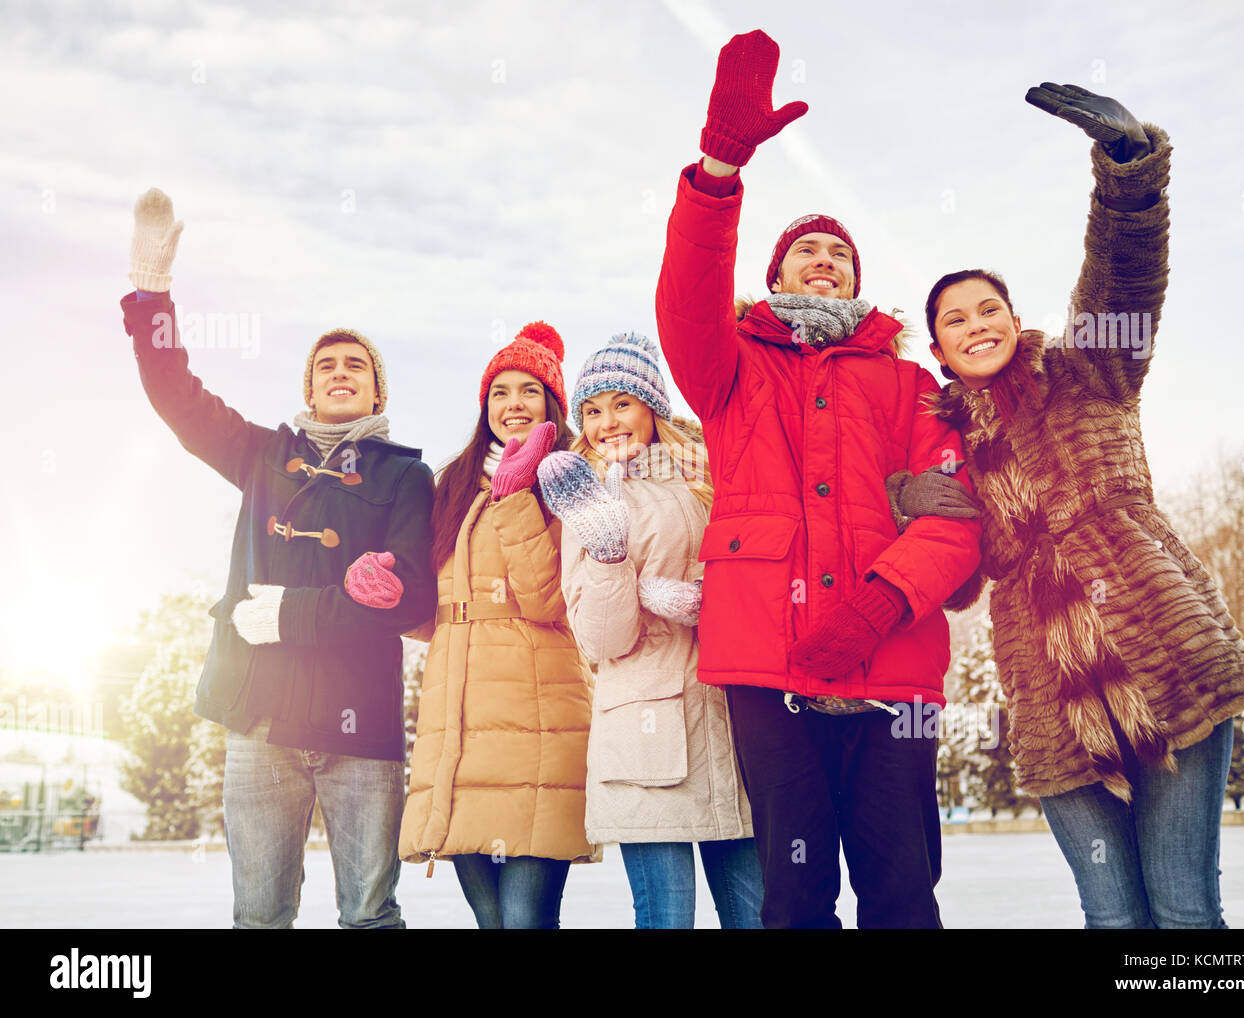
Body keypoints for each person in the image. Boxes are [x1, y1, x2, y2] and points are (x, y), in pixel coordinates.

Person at [917, 83, 1244, 928]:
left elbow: (1123, 280)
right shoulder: (941, 448)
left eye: (988, 308)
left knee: (1183, 909)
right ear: (938, 348)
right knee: (1112, 915)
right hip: (1051, 697)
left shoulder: (1085, 374)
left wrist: (1127, 175)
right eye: (955, 320)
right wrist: (923, 505)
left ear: (1014, 317)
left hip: (1164, 660)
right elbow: (955, 586)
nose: (976, 325)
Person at [654, 31, 982, 929]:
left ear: (859, 281)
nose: (824, 262)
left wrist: (880, 604)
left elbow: (956, 518)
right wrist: (718, 172)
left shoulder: (912, 384)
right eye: (806, 253)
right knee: (793, 895)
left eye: (839, 255)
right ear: (773, 275)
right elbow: (686, 297)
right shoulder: (729, 368)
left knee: (903, 890)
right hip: (770, 668)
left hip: (896, 672)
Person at [119, 188, 438, 929]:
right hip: (260, 722)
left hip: (363, 735)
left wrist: (293, 612)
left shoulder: (405, 477)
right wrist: (151, 292)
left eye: (355, 364)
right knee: (259, 917)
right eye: (325, 364)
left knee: (369, 916)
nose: (339, 371)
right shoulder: (263, 455)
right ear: (309, 386)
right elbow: (177, 397)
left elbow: (415, 598)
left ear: (375, 387)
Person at [537, 332, 763, 929]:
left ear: (652, 407)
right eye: (592, 410)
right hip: (646, 736)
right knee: (666, 917)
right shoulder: (585, 499)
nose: (607, 422)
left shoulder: (708, 477)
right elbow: (600, 641)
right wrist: (612, 558)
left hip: (732, 722)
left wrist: (708, 602)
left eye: (621, 404)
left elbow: (753, 582)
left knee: (757, 913)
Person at [396, 322, 598, 929]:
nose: (513, 404)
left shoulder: (570, 475)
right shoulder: (453, 484)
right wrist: (391, 594)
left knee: (523, 918)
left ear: (552, 405)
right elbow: (437, 613)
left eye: (529, 391)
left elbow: (544, 599)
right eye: (500, 392)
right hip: (457, 723)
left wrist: (516, 493)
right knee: (492, 921)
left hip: (541, 717)